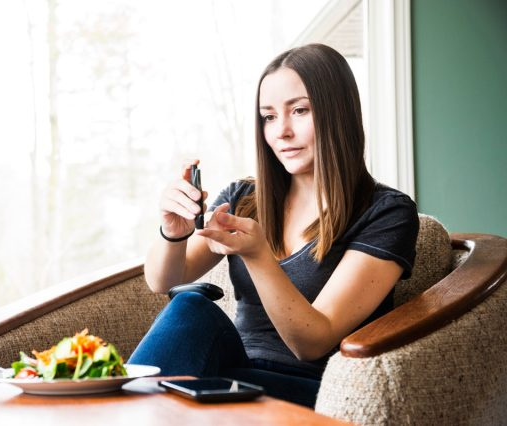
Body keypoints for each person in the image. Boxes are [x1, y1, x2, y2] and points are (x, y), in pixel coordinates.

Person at [129, 43, 419, 408]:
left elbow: (313, 342)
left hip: (309, 390)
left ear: (338, 113)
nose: (280, 131)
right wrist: (173, 231)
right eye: (268, 116)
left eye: (299, 111)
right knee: (188, 305)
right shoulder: (245, 197)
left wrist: (258, 256)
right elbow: (163, 281)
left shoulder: (386, 213)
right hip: (235, 375)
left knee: (190, 321)